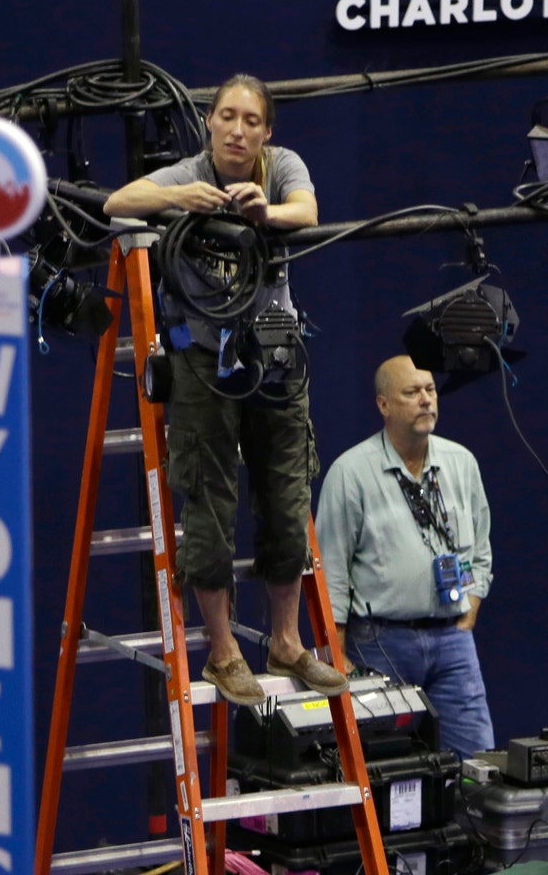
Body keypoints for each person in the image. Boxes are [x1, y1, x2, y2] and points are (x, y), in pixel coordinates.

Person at [102, 74, 346, 701]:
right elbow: (115, 204)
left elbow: (309, 212)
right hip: (202, 364)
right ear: (209, 121)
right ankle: (225, 652)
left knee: (289, 496)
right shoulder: (192, 171)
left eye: (252, 121)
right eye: (228, 117)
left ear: (268, 130)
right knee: (208, 507)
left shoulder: (282, 166)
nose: (239, 130)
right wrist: (182, 198)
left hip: (274, 360)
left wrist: (267, 212)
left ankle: (288, 643)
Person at [315, 355, 496, 758]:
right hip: (379, 642)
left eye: (430, 390)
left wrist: (470, 611)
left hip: (453, 639)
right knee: (384, 765)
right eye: (412, 393)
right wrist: (336, 654)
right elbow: (331, 573)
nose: (426, 401)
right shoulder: (351, 473)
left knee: (477, 761)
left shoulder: (461, 463)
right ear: (384, 405)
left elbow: (481, 549)